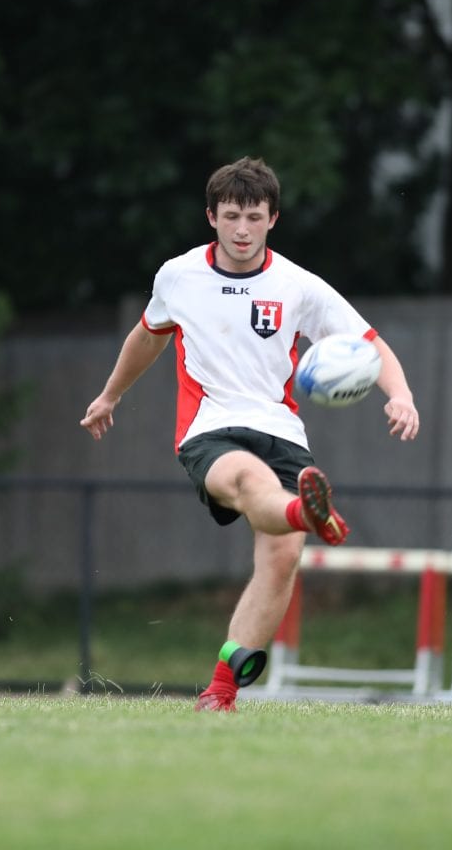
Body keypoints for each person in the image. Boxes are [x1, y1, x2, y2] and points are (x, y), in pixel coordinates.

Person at [80, 156, 420, 711]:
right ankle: (305, 512)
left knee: (283, 559)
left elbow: (369, 343)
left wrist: (399, 394)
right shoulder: (179, 275)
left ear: (273, 219)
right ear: (211, 216)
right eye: (232, 215)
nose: (243, 229)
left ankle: (221, 692)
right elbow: (148, 337)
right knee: (246, 479)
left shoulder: (298, 286)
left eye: (254, 217)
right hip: (209, 427)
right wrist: (111, 394)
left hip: (282, 428)